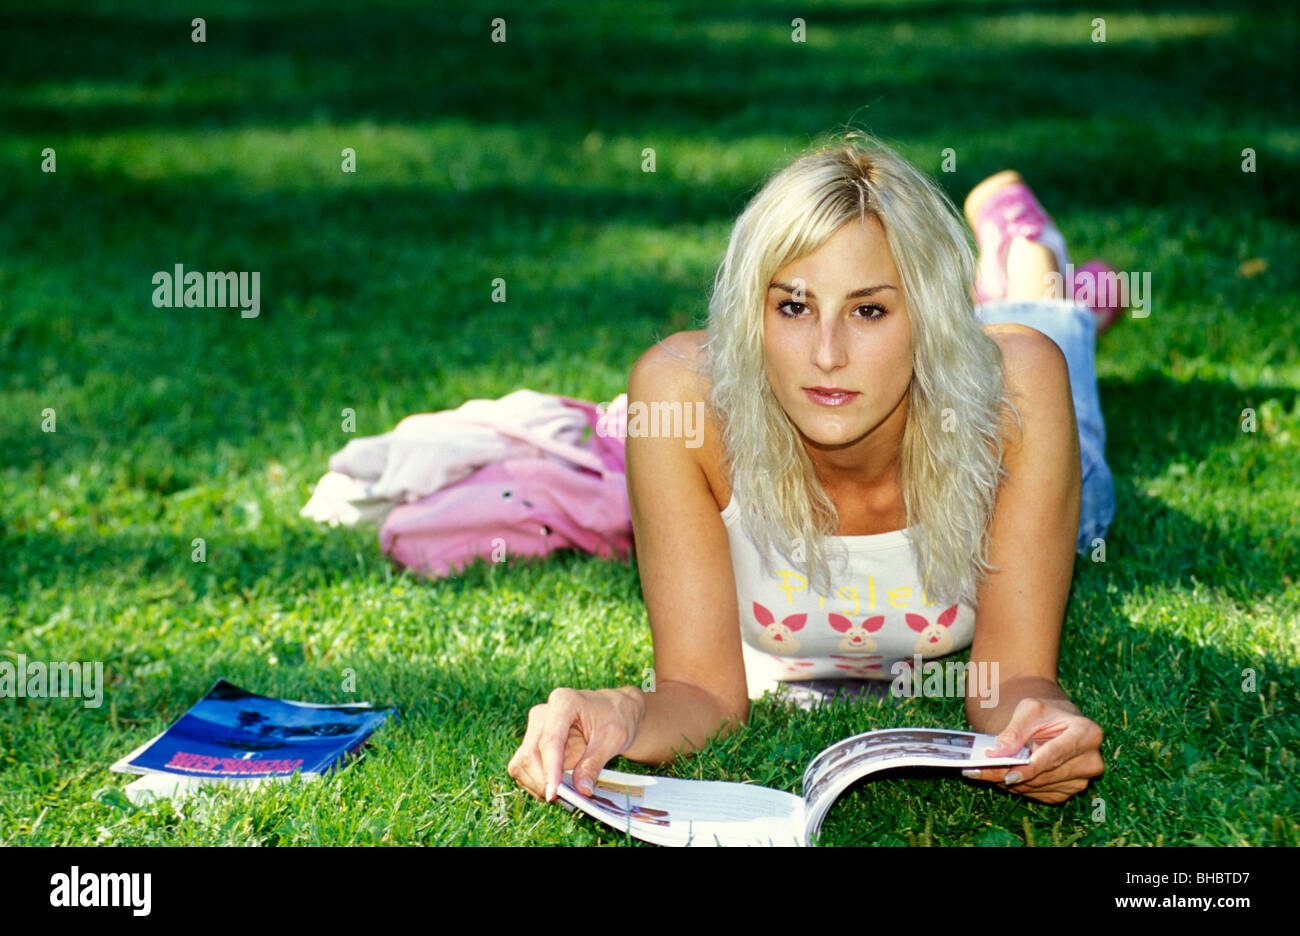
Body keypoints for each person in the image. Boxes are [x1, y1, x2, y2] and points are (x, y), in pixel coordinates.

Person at [508, 131, 1110, 807]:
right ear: (752, 313)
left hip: (996, 421)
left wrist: (1043, 722)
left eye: (870, 310)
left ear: (930, 319)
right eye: (794, 306)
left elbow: (1014, 682)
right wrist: (623, 709)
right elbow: (701, 694)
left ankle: (1030, 262)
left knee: (1058, 370)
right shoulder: (684, 398)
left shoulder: (1014, 395)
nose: (827, 354)